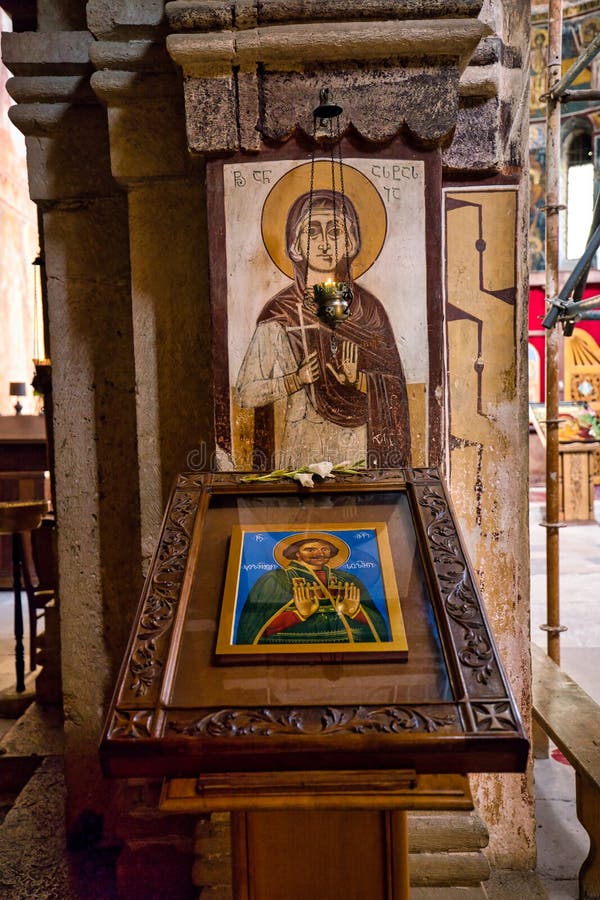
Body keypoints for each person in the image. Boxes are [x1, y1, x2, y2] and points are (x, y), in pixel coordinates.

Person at [235, 188, 411, 468]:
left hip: (358, 454)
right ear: (296, 244)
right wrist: (295, 380)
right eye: (313, 232)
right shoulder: (279, 314)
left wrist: (358, 381)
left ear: (349, 242)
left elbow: (395, 389)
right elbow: (245, 393)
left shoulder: (368, 311)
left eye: (335, 231)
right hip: (300, 455)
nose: (325, 244)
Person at [235, 536, 389, 646]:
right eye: (310, 549)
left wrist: (356, 613)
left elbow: (378, 625)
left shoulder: (347, 579)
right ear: (296, 553)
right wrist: (297, 615)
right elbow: (253, 628)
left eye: (325, 549)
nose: (319, 553)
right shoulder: (275, 579)